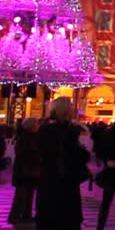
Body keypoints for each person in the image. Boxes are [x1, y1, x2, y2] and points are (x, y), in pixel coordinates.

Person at [35, 97, 90, 230]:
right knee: (65, 218)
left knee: (50, 217)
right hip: (64, 180)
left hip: (49, 179)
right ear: (64, 110)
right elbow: (74, 155)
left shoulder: (45, 128)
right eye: (71, 106)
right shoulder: (67, 130)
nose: (73, 108)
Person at [8, 118, 39, 225]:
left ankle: (26, 215)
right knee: (21, 195)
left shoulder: (30, 137)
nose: (37, 126)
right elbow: (23, 154)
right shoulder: (25, 138)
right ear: (31, 126)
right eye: (36, 124)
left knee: (29, 194)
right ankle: (16, 216)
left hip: (29, 171)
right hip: (24, 171)